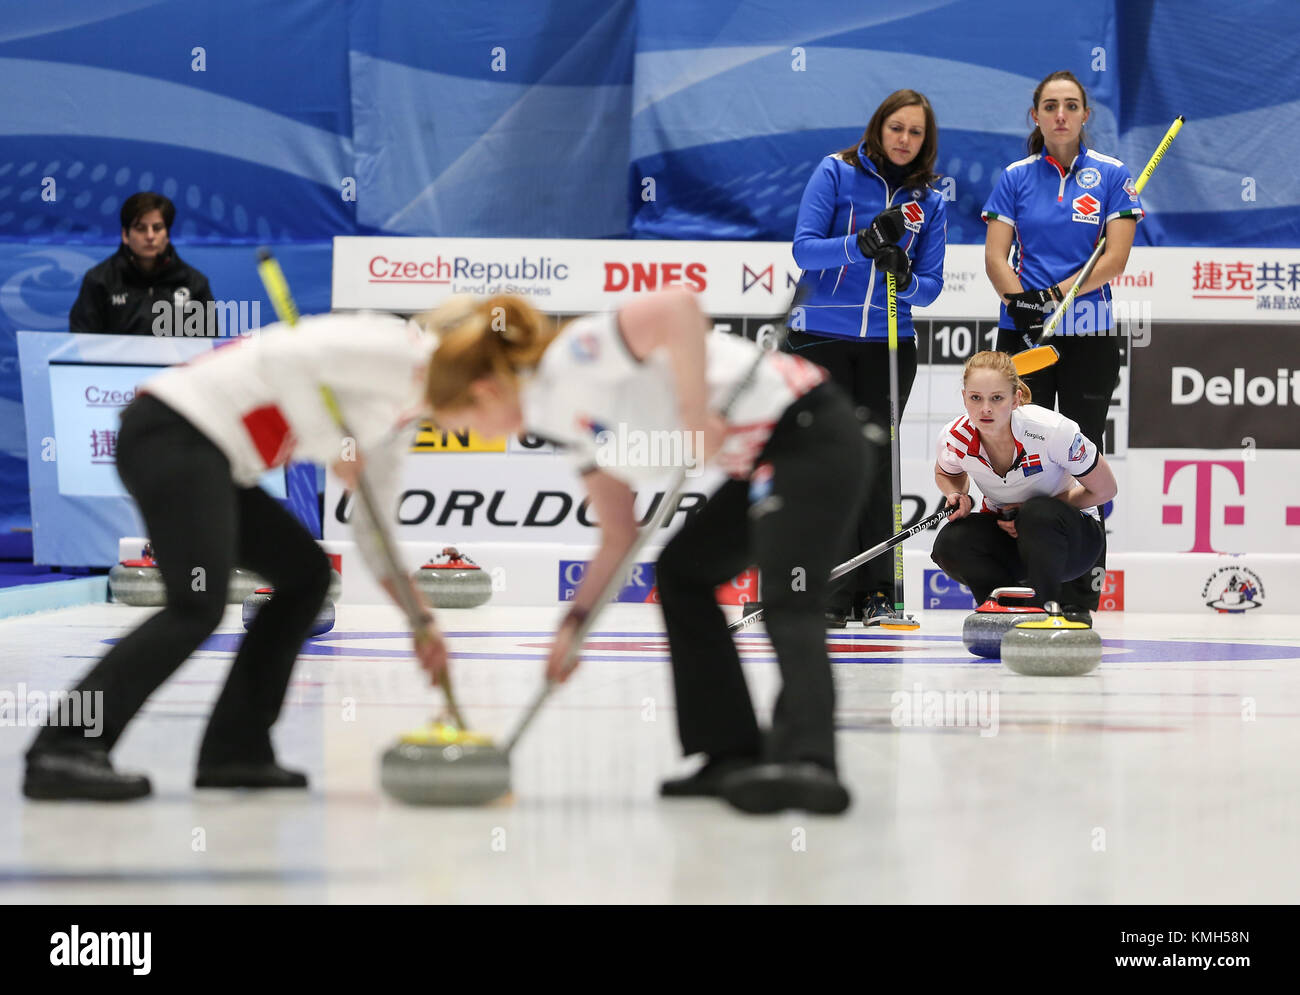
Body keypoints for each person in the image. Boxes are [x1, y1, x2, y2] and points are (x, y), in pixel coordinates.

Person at [425, 290, 878, 815]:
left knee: (788, 596)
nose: (468, 435)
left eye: (461, 423)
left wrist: (694, 412)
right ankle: (729, 753)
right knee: (683, 571)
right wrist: (573, 626)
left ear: (483, 391)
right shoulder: (559, 424)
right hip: (764, 454)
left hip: (811, 433)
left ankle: (811, 762)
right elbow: (618, 535)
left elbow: (677, 309)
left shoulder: (572, 358)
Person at [23, 312, 447, 801]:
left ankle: (236, 751)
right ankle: (64, 747)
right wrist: (335, 444)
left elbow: (374, 530)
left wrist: (421, 620)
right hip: (173, 431)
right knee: (197, 603)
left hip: (213, 457)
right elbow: (285, 353)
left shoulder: (408, 409)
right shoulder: (400, 349)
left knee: (306, 576)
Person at [981, 69, 1143, 610]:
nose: (1060, 114)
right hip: (1026, 333)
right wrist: (1021, 304)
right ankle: (1026, 585)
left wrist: (1050, 294)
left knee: (1082, 457)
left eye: (1071, 105)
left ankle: (1079, 592)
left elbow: (1113, 259)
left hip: (1089, 336)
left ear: (1084, 116)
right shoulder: (1015, 176)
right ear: (1035, 115)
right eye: (1049, 105)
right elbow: (994, 257)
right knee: (1020, 452)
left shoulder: (1114, 175)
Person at [788, 89, 947, 627]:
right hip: (821, 336)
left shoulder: (931, 198)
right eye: (896, 127)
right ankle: (829, 591)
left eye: (916, 132)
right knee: (829, 463)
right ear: (879, 126)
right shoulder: (834, 172)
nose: (904, 139)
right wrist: (858, 244)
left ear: (926, 141)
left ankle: (879, 593)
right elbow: (804, 249)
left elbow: (930, 288)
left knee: (880, 466)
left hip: (889, 342)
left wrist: (905, 279)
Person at [929, 351, 1117, 621]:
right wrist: (956, 493)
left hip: (1072, 542)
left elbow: (1105, 490)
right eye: (975, 398)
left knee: (1037, 514)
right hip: (1011, 538)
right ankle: (1004, 608)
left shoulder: (1050, 430)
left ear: (1016, 399)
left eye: (997, 398)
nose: (985, 409)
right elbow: (945, 472)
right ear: (964, 397)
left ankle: (1046, 609)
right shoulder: (954, 436)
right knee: (951, 542)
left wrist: (1032, 509)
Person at [68, 191, 217, 336]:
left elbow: (209, 348)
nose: (150, 236)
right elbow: (82, 341)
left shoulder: (194, 283)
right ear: (125, 235)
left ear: (167, 235)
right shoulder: (99, 281)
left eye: (157, 228)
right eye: (141, 229)